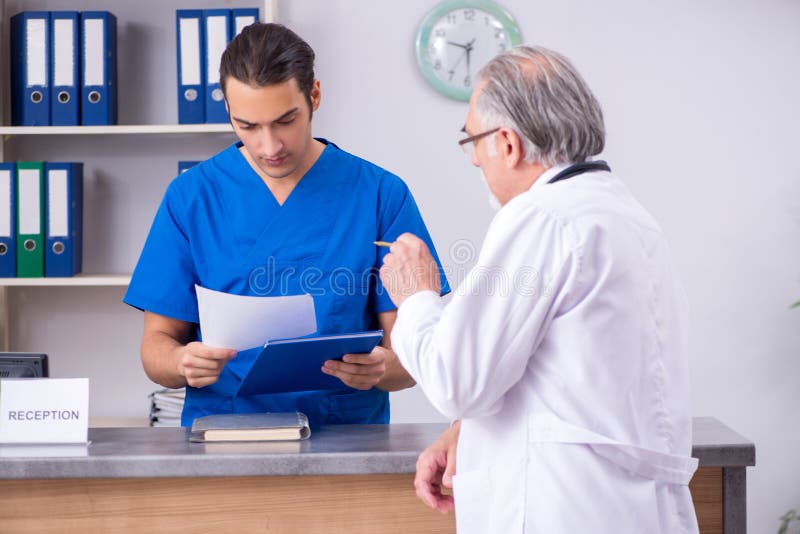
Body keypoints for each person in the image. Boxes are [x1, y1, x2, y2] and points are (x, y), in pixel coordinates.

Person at [379, 45, 699, 533]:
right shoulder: (626, 216)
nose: (473, 162)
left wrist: (416, 294)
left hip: (568, 507)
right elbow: (579, 376)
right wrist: (470, 429)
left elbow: (456, 379)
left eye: (472, 141)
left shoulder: (541, 218)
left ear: (506, 143)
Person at [124, 23, 449, 428]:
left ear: (314, 95)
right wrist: (179, 361)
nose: (269, 146)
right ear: (227, 109)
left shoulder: (381, 194)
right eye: (248, 126)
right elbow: (155, 347)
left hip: (345, 438)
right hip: (222, 435)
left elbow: (413, 350)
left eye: (285, 120)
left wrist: (386, 368)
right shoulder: (191, 197)